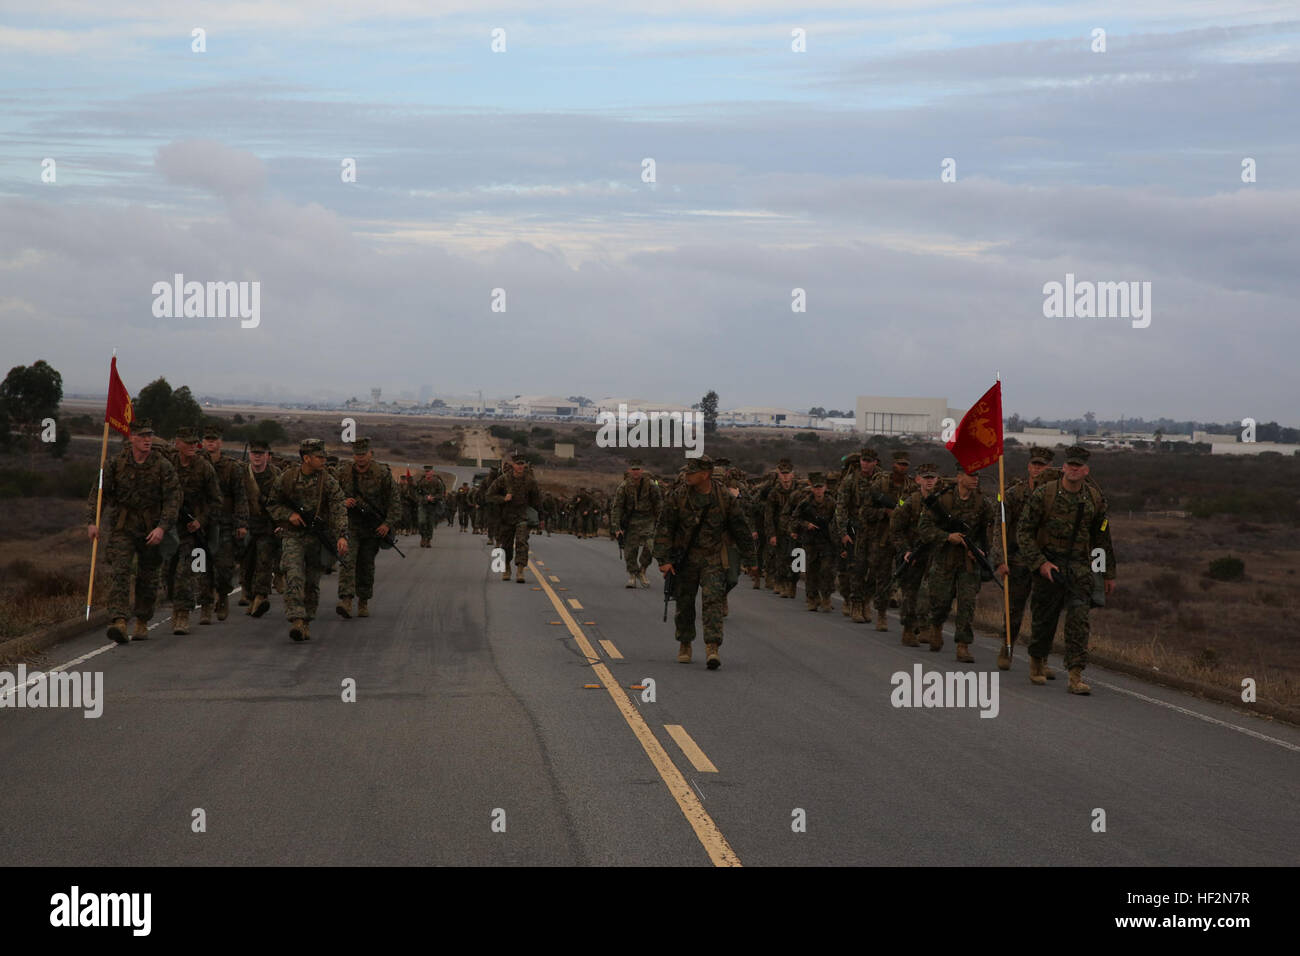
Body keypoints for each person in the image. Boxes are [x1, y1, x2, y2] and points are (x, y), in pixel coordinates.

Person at [1015, 445, 1116, 693]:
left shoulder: (1094, 499)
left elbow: (1101, 539)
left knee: (1079, 620)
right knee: (1044, 619)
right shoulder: (1045, 494)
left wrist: (1106, 572)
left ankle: (1075, 674)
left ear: (1085, 471)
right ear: (1064, 468)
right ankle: (1037, 661)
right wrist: (1040, 564)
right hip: (1050, 564)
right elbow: (1024, 533)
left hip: (1079, 567)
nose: (1073, 470)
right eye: (1070, 465)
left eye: (1078, 466)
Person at [654, 456, 757, 670]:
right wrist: (663, 560)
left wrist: (751, 560)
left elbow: (741, 529)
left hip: (713, 557)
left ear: (705, 474)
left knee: (713, 602)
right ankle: (685, 643)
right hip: (685, 559)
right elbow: (664, 528)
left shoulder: (723, 497)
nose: (687, 476)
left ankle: (712, 647)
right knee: (684, 603)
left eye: (692, 473)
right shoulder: (679, 496)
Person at [84, 420, 180, 643]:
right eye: (142, 436)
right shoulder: (116, 464)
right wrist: (92, 522)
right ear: (132, 438)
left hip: (151, 529)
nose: (148, 440)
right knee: (120, 572)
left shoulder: (162, 465)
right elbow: (98, 495)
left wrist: (162, 528)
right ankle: (118, 620)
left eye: (150, 435)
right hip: (123, 528)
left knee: (148, 577)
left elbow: (173, 499)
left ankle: (142, 620)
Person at [268, 438, 348, 642]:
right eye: (319, 457)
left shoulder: (327, 481)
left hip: (317, 538)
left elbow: (339, 507)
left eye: (324, 456)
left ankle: (307, 620)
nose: (324, 460)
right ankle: (296, 618)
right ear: (306, 458)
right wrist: (289, 516)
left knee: (312, 582)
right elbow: (272, 504)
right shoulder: (287, 478)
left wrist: (342, 535)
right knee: (294, 575)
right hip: (293, 536)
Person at [991, 446, 1061, 671]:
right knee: (1014, 609)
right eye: (1035, 465)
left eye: (1043, 466)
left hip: (1045, 561)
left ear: (1051, 468)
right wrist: (1000, 560)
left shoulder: (1058, 496)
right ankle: (1007, 647)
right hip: (1018, 560)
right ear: (1029, 466)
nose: (1038, 469)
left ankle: (1040, 659)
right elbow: (999, 528)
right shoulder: (1014, 494)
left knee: (1045, 614)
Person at [915, 469, 994, 660]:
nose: (975, 480)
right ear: (959, 477)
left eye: (977, 476)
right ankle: (936, 625)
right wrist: (947, 537)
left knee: (967, 603)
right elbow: (924, 528)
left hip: (969, 561)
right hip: (945, 558)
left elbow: (989, 530)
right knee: (940, 601)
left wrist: (982, 551)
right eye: (970, 476)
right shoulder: (942, 500)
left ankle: (963, 645)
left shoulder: (983, 503)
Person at [335, 438, 401, 619]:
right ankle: (346, 600)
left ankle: (363, 600)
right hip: (350, 526)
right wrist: (343, 502)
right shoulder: (344, 472)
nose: (360, 458)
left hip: (373, 528)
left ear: (370, 454)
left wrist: (387, 524)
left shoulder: (382, 474)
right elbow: (331, 496)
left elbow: (394, 502)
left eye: (363, 454)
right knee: (347, 561)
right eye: (357, 454)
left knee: (365, 565)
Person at [169, 425, 223, 635]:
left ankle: (184, 612)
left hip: (195, 530)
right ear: (178, 444)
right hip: (170, 527)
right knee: (170, 572)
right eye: (188, 443)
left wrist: (201, 520)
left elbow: (216, 500)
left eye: (194, 443)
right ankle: (177, 606)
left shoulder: (204, 467)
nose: (193, 446)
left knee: (189, 568)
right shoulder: (169, 466)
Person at [200, 423, 249, 623]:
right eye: (207, 440)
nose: (211, 443)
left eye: (214, 440)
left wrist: (242, 523)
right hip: (202, 525)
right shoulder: (196, 465)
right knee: (201, 567)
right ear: (202, 443)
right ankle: (205, 605)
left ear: (220, 442)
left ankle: (222, 596)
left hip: (225, 525)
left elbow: (240, 497)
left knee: (224, 568)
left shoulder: (232, 467)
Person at [888, 462, 940, 645]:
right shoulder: (912, 501)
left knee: (932, 592)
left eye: (932, 478)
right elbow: (895, 529)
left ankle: (927, 627)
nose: (929, 481)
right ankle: (909, 629)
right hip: (914, 553)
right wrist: (905, 550)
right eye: (926, 478)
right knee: (911, 592)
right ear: (918, 480)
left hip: (936, 553)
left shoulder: (943, 501)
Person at [239, 438, 281, 619]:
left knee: (264, 561)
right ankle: (249, 595)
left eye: (261, 454)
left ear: (267, 456)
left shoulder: (276, 474)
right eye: (254, 454)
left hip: (267, 525)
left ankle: (260, 596)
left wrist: (280, 523)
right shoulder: (241, 473)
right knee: (247, 564)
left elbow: (282, 500)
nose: (257, 457)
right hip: (246, 524)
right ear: (249, 455)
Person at [486, 452, 542, 582]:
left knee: (522, 543)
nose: (520, 466)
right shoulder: (504, 479)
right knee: (506, 545)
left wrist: (541, 518)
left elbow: (536, 501)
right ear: (513, 465)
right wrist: (503, 498)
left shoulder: (530, 481)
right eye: (518, 464)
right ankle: (506, 568)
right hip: (506, 517)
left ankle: (520, 571)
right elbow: (489, 495)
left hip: (522, 517)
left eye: (522, 464)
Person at [612, 458, 663, 588]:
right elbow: (617, 507)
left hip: (648, 520)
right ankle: (633, 575)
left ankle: (643, 570)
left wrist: (661, 523)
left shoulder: (651, 485)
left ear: (642, 470)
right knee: (630, 550)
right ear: (629, 471)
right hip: (631, 521)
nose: (635, 472)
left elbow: (658, 504)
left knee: (651, 546)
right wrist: (617, 527)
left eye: (638, 469)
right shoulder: (623, 487)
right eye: (633, 469)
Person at [789, 472, 837, 611]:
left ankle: (826, 597)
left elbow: (839, 519)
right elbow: (794, 519)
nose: (818, 490)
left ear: (825, 487)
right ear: (812, 488)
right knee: (811, 571)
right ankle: (812, 598)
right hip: (811, 542)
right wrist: (806, 525)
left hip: (827, 541)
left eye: (821, 487)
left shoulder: (831, 503)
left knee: (827, 570)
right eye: (816, 487)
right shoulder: (805, 503)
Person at [415, 465, 446, 548]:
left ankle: (428, 540)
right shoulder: (421, 482)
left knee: (430, 523)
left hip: (432, 505)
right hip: (423, 505)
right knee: (421, 521)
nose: (427, 473)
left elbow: (441, 494)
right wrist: (425, 498)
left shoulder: (437, 482)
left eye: (429, 471)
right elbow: (417, 494)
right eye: (426, 471)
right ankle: (423, 537)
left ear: (432, 472)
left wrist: (434, 498)